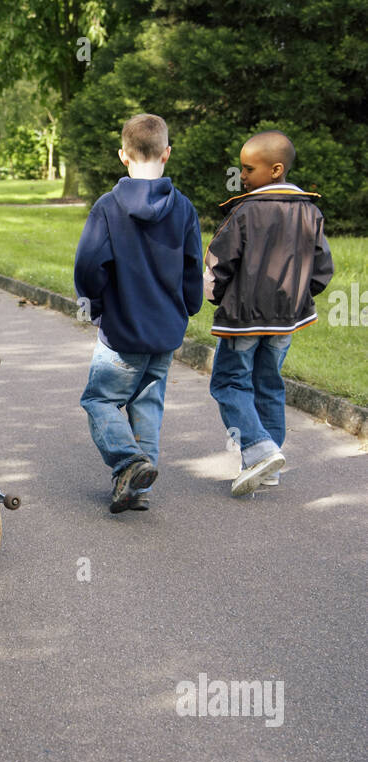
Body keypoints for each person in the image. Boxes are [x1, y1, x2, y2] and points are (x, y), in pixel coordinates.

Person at [75, 113, 203, 513]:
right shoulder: (183, 209)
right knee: (147, 404)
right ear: (166, 154)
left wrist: (94, 303)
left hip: (122, 329)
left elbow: (88, 267)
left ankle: (129, 463)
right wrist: (189, 306)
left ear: (123, 156)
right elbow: (191, 267)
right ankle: (137, 488)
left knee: (100, 400)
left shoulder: (108, 207)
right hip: (165, 329)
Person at [205, 129, 333, 496]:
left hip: (243, 318)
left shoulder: (244, 211)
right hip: (286, 320)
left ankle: (259, 451)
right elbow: (322, 268)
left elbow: (219, 264)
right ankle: (269, 465)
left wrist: (215, 297)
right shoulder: (311, 211)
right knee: (269, 384)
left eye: (248, 169)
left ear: (276, 169)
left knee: (229, 383)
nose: (242, 176)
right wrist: (299, 297)